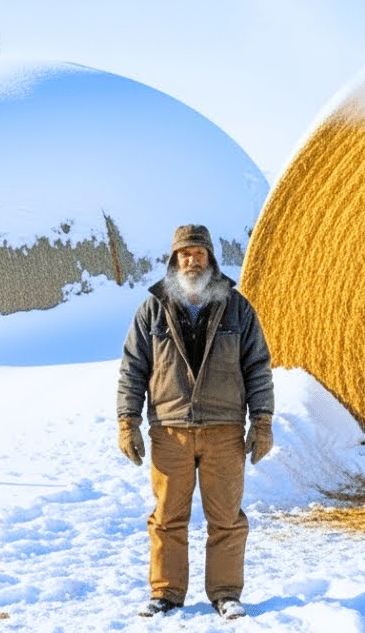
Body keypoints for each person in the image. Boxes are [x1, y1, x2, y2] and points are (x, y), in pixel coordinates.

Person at [117, 223, 274, 620]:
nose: (192, 261)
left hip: (224, 428)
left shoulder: (237, 307)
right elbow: (133, 367)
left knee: (227, 518)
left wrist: (262, 421)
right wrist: (127, 420)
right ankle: (166, 593)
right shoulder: (153, 309)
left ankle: (226, 593)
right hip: (170, 429)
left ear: (211, 259)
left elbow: (257, 366)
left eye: (199, 254)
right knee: (168, 517)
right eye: (184, 254)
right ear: (174, 260)